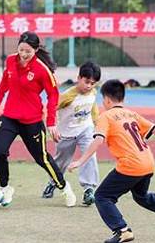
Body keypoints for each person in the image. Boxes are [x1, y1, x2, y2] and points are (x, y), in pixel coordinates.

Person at [68, 79, 155, 243]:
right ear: (122, 98)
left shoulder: (106, 116)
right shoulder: (132, 114)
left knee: (102, 196)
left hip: (131, 165)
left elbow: (98, 140)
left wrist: (80, 161)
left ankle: (122, 230)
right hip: (148, 162)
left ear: (107, 100)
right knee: (141, 196)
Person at [0, 31, 76, 207]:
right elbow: (5, 81)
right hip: (10, 118)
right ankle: (5, 188)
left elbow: (53, 95)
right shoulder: (10, 61)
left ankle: (64, 187)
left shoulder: (42, 70)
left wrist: (51, 122)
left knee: (42, 158)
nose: (23, 54)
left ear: (35, 50)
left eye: (28, 51)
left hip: (32, 121)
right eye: (21, 50)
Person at [42, 61, 101, 206]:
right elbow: (50, 109)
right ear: (78, 78)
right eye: (86, 82)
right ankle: (53, 182)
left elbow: (93, 107)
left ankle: (89, 189)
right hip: (66, 134)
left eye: (93, 83)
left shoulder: (93, 92)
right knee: (61, 162)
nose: (89, 86)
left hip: (85, 130)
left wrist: (97, 123)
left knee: (89, 155)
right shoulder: (67, 96)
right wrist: (52, 126)